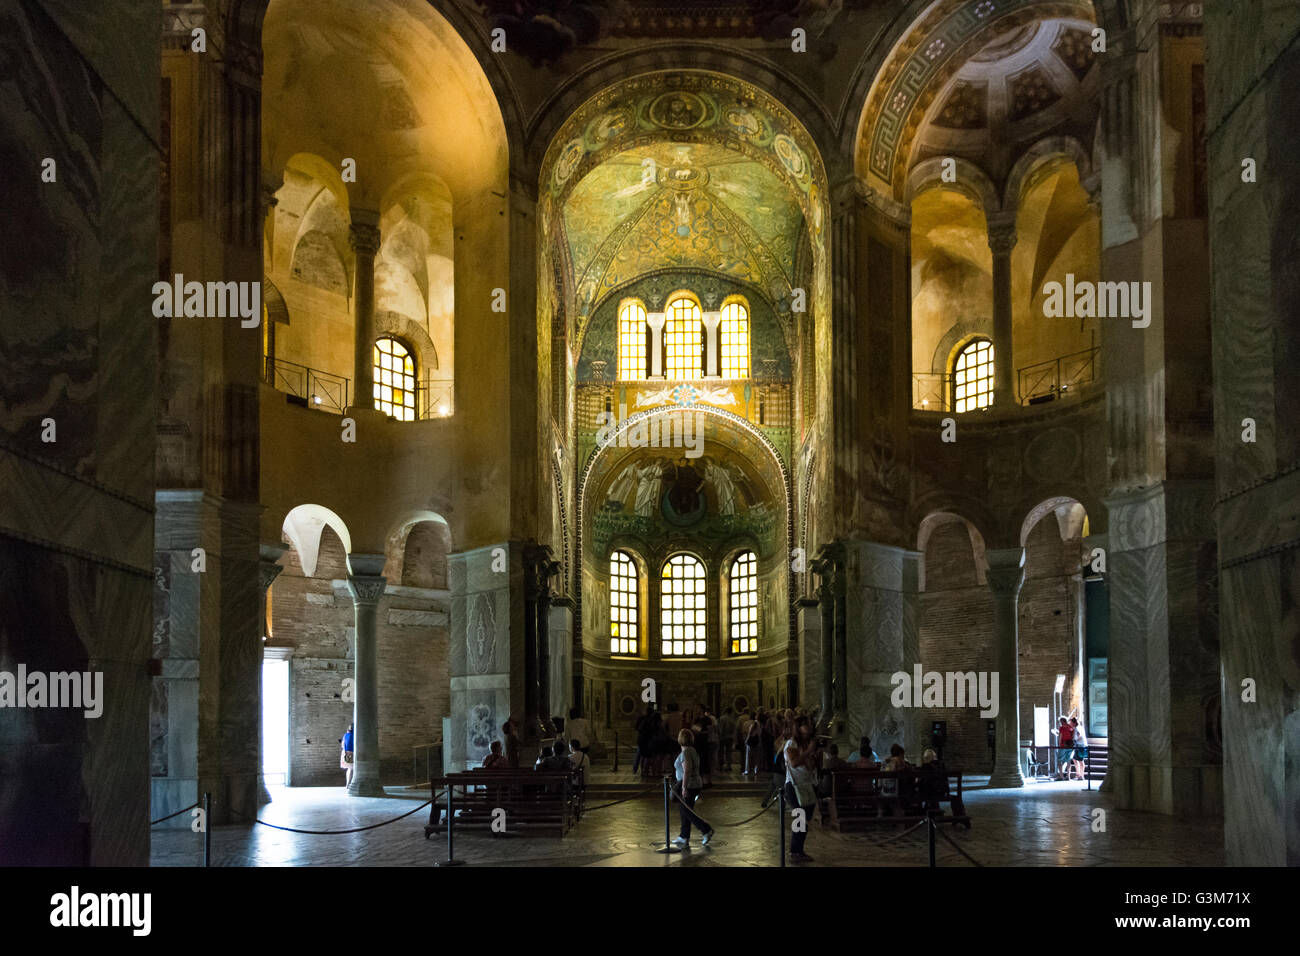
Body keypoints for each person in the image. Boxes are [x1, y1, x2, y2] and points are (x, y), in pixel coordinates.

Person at [671, 729, 715, 847]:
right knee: (684, 809)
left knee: (687, 810)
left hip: (689, 785)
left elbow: (687, 771)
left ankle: (706, 830)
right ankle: (684, 836)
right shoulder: (692, 750)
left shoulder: (686, 753)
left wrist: (684, 787)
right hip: (694, 783)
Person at [784, 716, 819, 862]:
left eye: (809, 724)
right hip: (795, 785)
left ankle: (799, 850)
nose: (808, 726)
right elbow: (794, 763)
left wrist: (814, 753)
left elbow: (811, 766)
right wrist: (808, 751)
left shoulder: (808, 743)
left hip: (808, 784)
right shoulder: (791, 743)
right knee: (800, 818)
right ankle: (795, 851)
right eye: (804, 725)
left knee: (805, 819)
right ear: (798, 727)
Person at [1070, 717, 1089, 782]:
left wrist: (1074, 739)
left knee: (1081, 760)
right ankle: (1078, 774)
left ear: (1074, 723)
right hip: (1079, 745)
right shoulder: (1078, 727)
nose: (1070, 723)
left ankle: (1081, 775)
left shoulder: (1078, 728)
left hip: (1081, 746)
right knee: (1075, 759)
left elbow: (1079, 735)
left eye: (1071, 722)